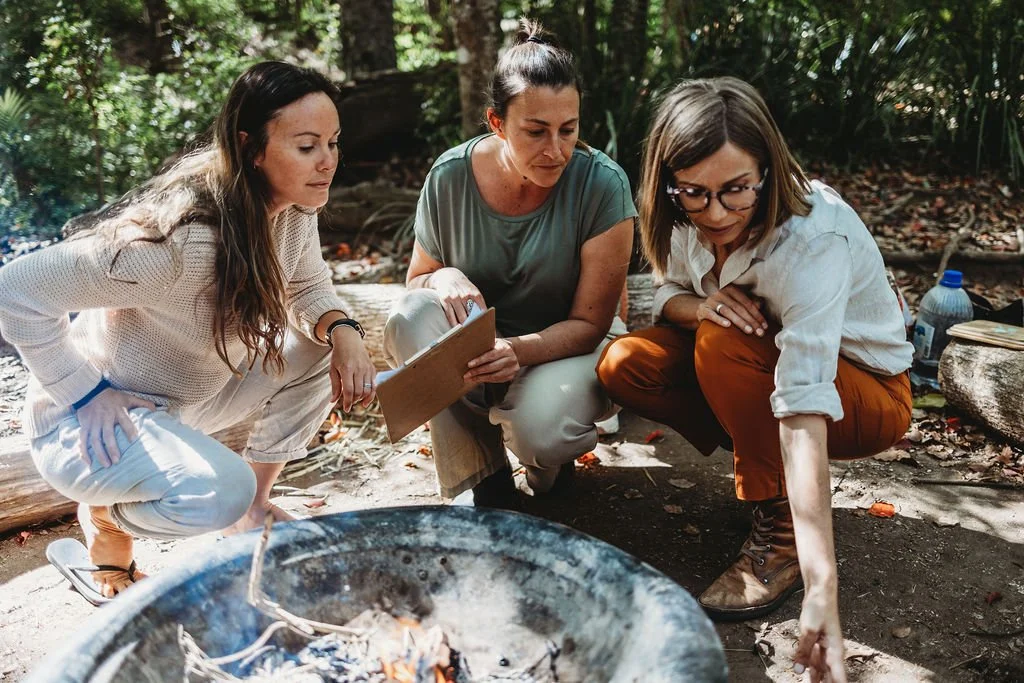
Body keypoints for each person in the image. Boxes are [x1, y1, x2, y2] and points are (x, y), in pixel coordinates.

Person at [0, 61, 376, 604]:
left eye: (334, 144)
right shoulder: (175, 245)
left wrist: (345, 331)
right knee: (220, 492)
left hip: (184, 403)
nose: (328, 163)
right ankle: (109, 519)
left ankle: (252, 508)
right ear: (252, 148)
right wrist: (84, 391)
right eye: (307, 146)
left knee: (321, 347)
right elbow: (14, 289)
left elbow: (307, 286)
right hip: (90, 427)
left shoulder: (292, 206)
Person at [596, 77, 913, 681]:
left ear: (767, 170)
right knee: (625, 363)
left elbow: (802, 402)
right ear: (671, 183)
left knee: (724, 344)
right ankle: (762, 468)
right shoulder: (681, 213)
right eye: (694, 193)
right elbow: (667, 292)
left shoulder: (813, 238)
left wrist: (824, 584)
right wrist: (701, 305)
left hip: (868, 395)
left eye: (736, 190)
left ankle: (784, 535)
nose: (715, 214)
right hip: (750, 367)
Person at [384, 19, 636, 509]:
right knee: (409, 319)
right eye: (536, 131)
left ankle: (550, 468)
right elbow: (418, 279)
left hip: (568, 345)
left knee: (544, 431)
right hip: (483, 349)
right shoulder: (449, 177)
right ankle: (485, 474)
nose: (556, 150)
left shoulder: (604, 185)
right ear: (497, 123)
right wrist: (445, 274)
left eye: (569, 129)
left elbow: (589, 324)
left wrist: (515, 350)